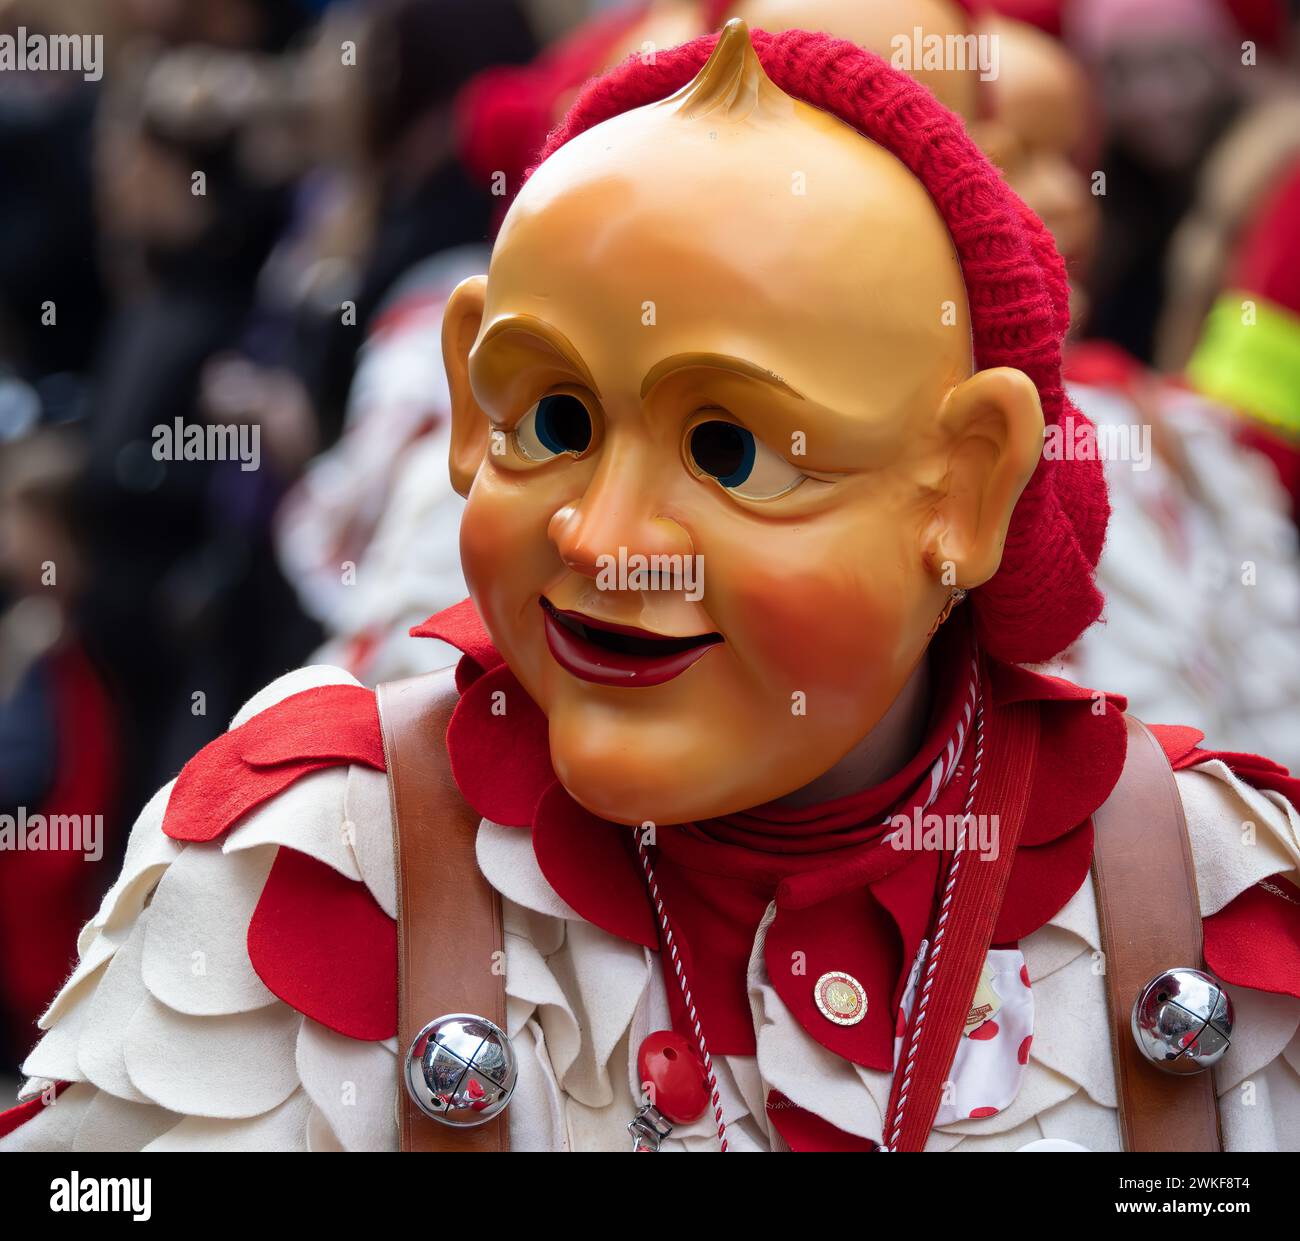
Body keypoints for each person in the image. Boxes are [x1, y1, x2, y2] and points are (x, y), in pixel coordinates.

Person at [3, 23, 1296, 1154]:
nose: (607, 539)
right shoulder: (305, 867)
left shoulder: (1203, 891)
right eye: (553, 417)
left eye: (731, 450)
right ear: (470, 395)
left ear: (964, 490)